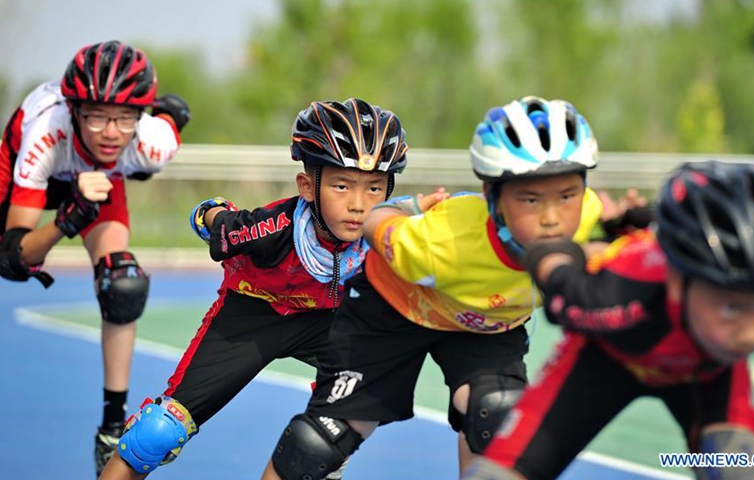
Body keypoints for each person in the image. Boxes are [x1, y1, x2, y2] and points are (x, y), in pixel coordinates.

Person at [259, 96, 651, 480]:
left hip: (483, 323)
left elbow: (610, 220)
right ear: (492, 198)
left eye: (566, 195)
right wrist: (406, 210)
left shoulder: (588, 216)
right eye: (529, 199)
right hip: (395, 307)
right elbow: (376, 219)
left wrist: (623, 224)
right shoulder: (440, 241)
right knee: (318, 444)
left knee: (498, 420)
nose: (551, 218)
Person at [97, 98, 411, 479]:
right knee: (157, 432)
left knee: (320, 444)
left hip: (329, 324)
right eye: (342, 185)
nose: (359, 205)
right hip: (251, 317)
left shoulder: (392, 232)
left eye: (375, 188)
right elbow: (207, 217)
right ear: (307, 187)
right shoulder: (271, 229)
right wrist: (215, 216)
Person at [463, 160, 754, 480]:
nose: (749, 334)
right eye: (731, 308)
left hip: (709, 371)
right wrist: (582, 251)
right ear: (677, 283)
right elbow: (546, 260)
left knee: (738, 468)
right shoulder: (614, 295)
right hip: (606, 361)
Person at [0, 40, 190, 476]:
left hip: (99, 180)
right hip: (35, 171)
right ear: (74, 110)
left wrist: (86, 205)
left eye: (124, 118)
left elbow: (172, 113)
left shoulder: (152, 143)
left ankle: (111, 426)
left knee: (122, 281)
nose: (110, 132)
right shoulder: (45, 132)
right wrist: (64, 222)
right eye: (97, 116)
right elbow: (13, 261)